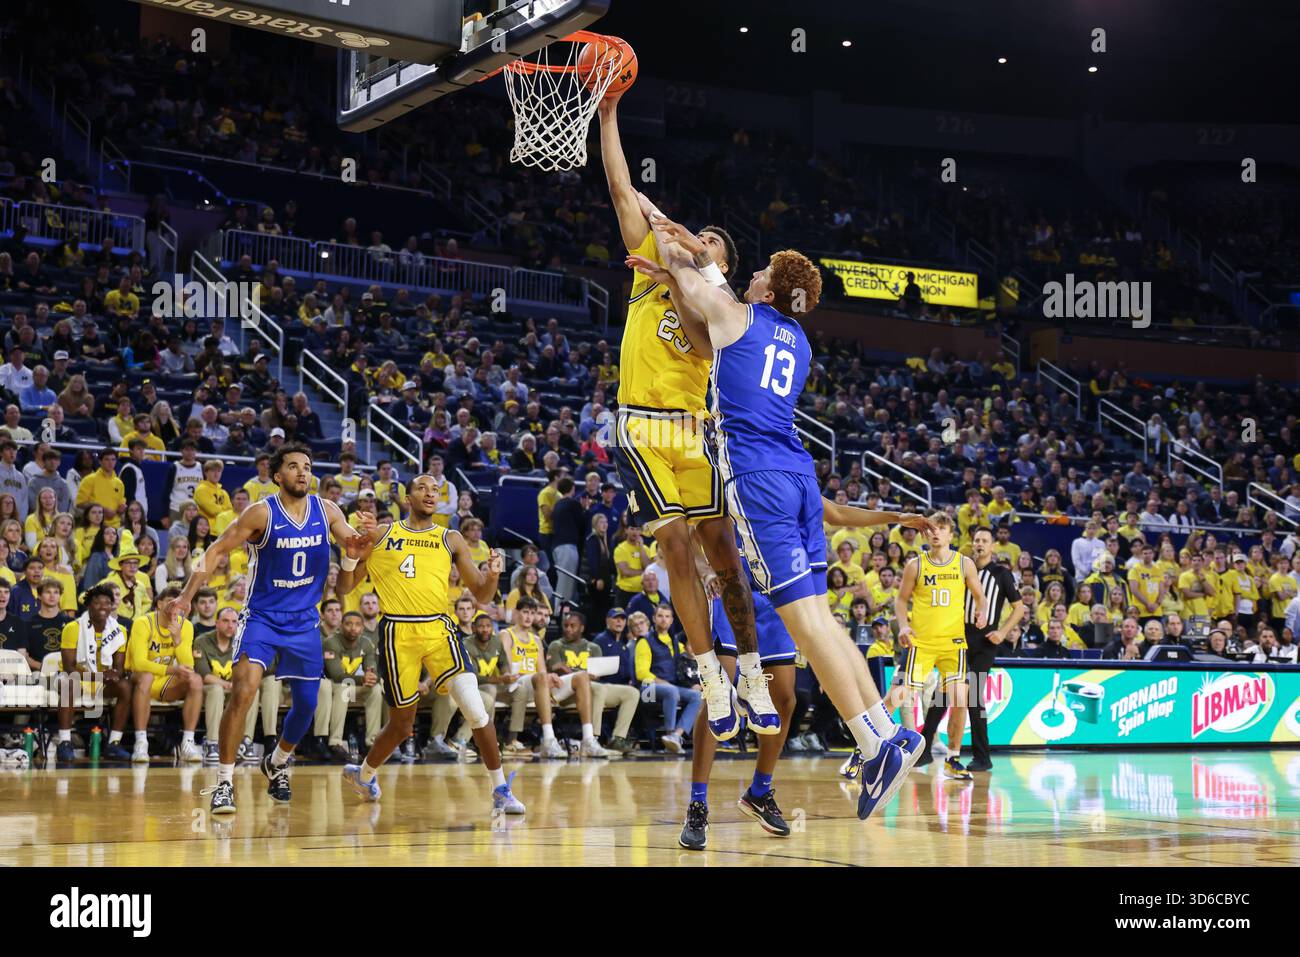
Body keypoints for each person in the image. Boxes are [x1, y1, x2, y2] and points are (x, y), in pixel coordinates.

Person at [628, 199, 934, 818]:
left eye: (764, 270)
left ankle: (874, 744)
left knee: (805, 626)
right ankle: (887, 728)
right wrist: (680, 270)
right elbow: (703, 285)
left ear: (771, 290)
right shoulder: (793, 337)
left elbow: (695, 268)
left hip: (761, 477)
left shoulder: (738, 314)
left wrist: (666, 242)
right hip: (798, 471)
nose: (755, 272)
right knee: (824, 615)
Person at [598, 92, 778, 743]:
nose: (691, 238)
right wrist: (608, 113)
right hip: (643, 424)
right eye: (692, 231)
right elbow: (623, 188)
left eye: (706, 240)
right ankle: (710, 674)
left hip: (694, 433)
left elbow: (704, 347)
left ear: (721, 263)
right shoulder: (652, 266)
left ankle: (749, 673)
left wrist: (678, 275)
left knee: (723, 555)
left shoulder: (724, 303)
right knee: (674, 544)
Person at [174, 443, 368, 814]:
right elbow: (215, 551)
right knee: (244, 691)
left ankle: (277, 761)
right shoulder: (260, 513)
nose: (302, 472)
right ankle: (224, 783)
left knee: (308, 704)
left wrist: (361, 542)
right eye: (293, 466)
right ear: (277, 475)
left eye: (307, 466)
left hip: (305, 621)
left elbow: (351, 546)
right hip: (262, 617)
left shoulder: (327, 510)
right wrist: (186, 596)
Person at [336, 474, 525, 814]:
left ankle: (500, 789)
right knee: (402, 726)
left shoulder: (451, 538)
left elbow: (481, 594)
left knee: (476, 707)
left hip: (440, 629)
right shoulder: (381, 534)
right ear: (407, 497)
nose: (429, 494)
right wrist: (350, 557)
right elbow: (345, 588)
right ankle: (364, 775)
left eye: (435, 490)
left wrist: (494, 573)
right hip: (397, 633)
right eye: (422, 488)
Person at [680, 554, 799, 851]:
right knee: (719, 693)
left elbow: (827, 514)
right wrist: (706, 570)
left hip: (774, 595)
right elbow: (691, 534)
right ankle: (697, 804)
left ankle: (759, 793)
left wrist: (896, 517)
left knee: (784, 699)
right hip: (730, 584)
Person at [907, 528, 1024, 773]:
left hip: (984, 644)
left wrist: (1002, 633)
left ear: (993, 547)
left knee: (972, 696)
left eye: (985, 541)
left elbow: (1019, 609)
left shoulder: (1002, 574)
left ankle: (983, 756)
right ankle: (925, 750)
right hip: (957, 639)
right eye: (977, 540)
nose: (980, 544)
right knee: (942, 695)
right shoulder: (961, 567)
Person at [126, 585, 205, 763]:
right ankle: (141, 742)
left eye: (179, 605)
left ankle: (188, 742)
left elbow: (187, 666)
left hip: (164, 683)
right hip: (138, 680)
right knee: (146, 676)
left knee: (195, 680)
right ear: (159, 604)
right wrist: (172, 670)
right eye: (170, 602)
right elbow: (139, 664)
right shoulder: (143, 623)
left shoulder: (185, 626)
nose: (174, 608)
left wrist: (177, 640)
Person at [55, 584, 133, 763]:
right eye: (98, 603)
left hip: (101, 682)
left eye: (107, 603)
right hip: (78, 677)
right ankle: (65, 742)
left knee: (126, 686)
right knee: (69, 683)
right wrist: (99, 676)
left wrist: (115, 674)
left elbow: (119, 667)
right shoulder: (73, 628)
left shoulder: (119, 631)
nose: (103, 607)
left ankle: (114, 743)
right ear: (88, 605)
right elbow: (69, 667)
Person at [193, 606, 261, 762]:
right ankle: (212, 742)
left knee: (253, 691)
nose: (230, 625)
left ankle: (245, 741)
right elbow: (203, 674)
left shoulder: (243, 643)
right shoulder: (202, 641)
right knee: (216, 689)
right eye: (225, 621)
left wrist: (234, 686)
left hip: (232, 689)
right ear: (216, 623)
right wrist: (226, 684)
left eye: (234, 622)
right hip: (207, 690)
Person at [543, 610, 612, 757]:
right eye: (566, 625)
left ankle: (618, 739)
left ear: (582, 628)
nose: (568, 629)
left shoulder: (593, 647)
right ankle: (592, 737)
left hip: (587, 686)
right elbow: (554, 670)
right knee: (590, 684)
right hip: (561, 688)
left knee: (632, 692)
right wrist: (560, 668)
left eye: (572, 626)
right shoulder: (556, 645)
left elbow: (597, 675)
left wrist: (592, 676)